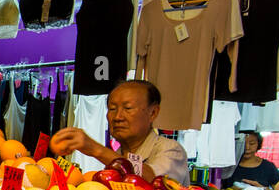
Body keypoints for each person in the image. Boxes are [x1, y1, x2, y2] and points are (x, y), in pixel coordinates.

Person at [50, 79, 189, 184]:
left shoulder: (171, 150)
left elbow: (155, 182)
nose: (117, 117)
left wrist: (95, 149)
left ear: (153, 113)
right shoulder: (116, 155)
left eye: (128, 108)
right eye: (112, 108)